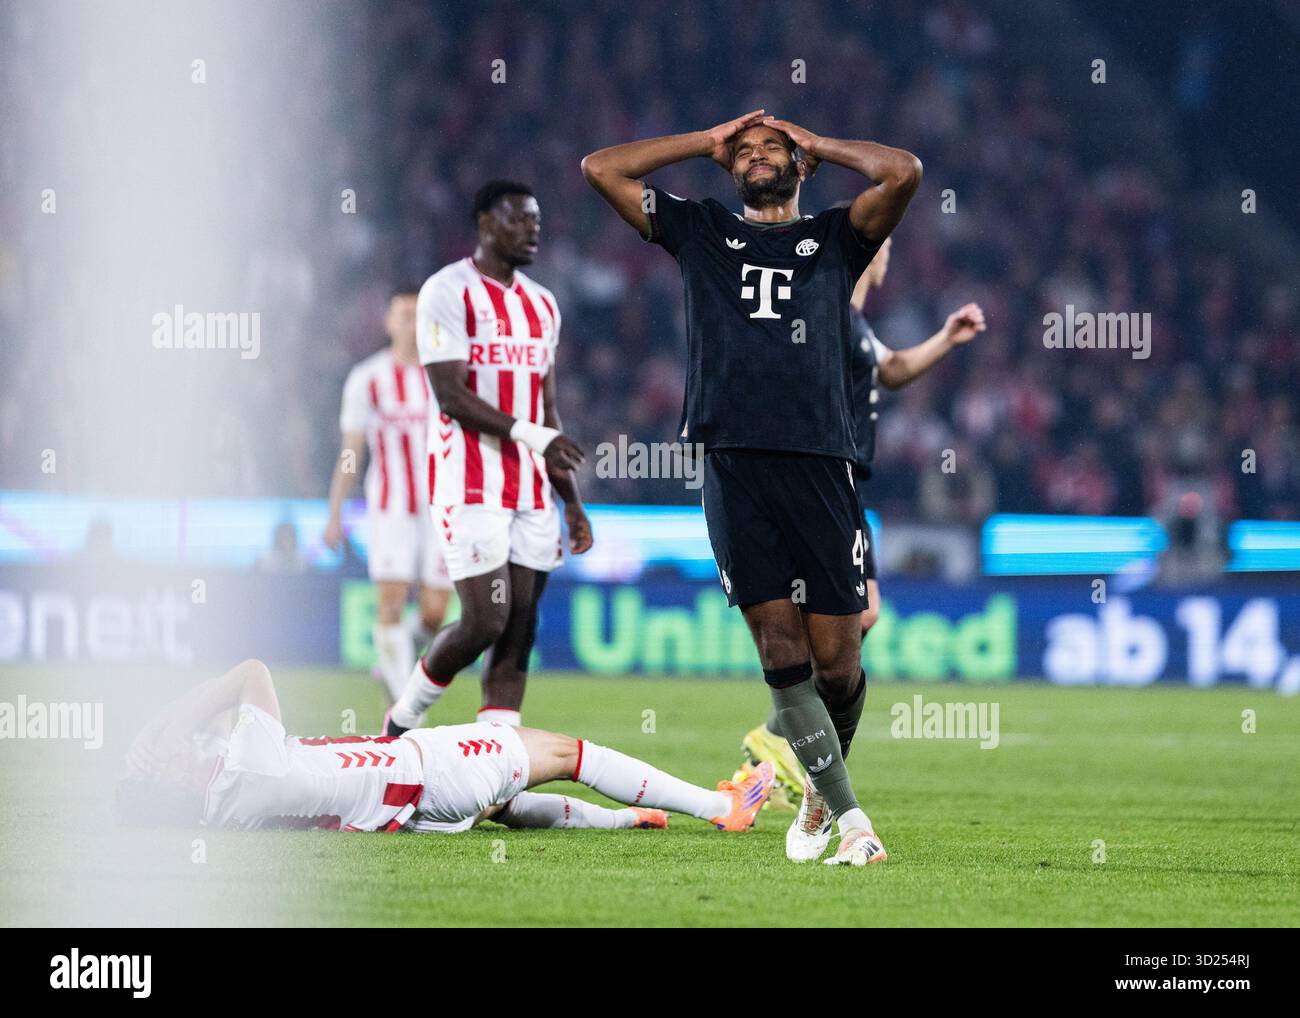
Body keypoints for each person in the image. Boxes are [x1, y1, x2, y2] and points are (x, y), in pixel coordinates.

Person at [582, 109, 921, 865]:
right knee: (779, 646)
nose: (757, 156)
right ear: (728, 168)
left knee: (839, 662)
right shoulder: (700, 230)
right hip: (733, 463)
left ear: (799, 165)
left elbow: (903, 171)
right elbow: (601, 167)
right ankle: (853, 822)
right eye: (744, 150)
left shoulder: (836, 238)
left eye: (774, 148)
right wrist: (702, 141)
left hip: (821, 462)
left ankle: (818, 797)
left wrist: (822, 141)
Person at [737, 236, 986, 860]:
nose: (883, 251)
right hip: (816, 485)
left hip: (843, 486)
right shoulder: (821, 307)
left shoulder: (853, 323)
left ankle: (781, 737)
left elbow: (891, 368)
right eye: (875, 240)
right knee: (826, 628)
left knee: (857, 621)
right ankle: (785, 739)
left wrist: (946, 340)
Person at [115, 660, 774, 836]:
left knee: (510, 808)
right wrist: (159, 729)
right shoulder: (243, 768)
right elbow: (250, 673)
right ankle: (720, 807)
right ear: (172, 787)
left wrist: (159, 747)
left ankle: (629, 817)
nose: (176, 750)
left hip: (409, 811)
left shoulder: (220, 806)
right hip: (429, 769)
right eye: (166, 763)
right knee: (568, 754)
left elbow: (203, 743)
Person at [385, 180, 592, 736]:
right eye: (519, 219)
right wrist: (533, 435)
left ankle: (497, 748)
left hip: (531, 490)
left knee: (520, 623)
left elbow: (549, 412)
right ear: (484, 223)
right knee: (485, 619)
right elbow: (451, 397)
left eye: (537, 222)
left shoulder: (543, 305)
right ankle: (401, 720)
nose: (532, 230)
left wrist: (571, 501)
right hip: (469, 481)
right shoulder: (446, 292)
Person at [325, 287, 453, 703]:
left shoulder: (445, 374)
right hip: (390, 507)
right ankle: (405, 711)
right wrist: (335, 512)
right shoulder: (368, 378)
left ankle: (392, 659)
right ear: (388, 322)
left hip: (439, 507)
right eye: (403, 314)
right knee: (391, 604)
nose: (411, 323)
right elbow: (352, 450)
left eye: (418, 315)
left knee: (435, 613)